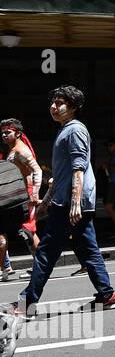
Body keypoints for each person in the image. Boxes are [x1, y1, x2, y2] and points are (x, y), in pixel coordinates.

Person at [7, 86, 115, 316]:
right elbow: (63, 174)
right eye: (53, 103)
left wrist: (75, 203)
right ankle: (107, 295)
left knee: (47, 251)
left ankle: (27, 302)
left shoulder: (75, 130)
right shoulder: (65, 130)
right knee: (88, 250)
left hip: (71, 204)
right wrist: (46, 200)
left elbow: (79, 167)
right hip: (68, 201)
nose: (54, 107)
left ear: (74, 107)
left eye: (60, 103)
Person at [0, 119, 41, 281]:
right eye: (2, 132)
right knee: (25, 230)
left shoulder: (21, 150)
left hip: (25, 194)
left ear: (17, 133)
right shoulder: (13, 149)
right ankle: (38, 266)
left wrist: (35, 194)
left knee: (28, 230)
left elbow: (37, 171)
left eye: (7, 132)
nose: (4, 135)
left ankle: (42, 266)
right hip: (17, 194)